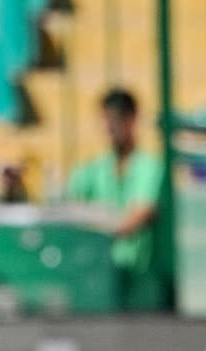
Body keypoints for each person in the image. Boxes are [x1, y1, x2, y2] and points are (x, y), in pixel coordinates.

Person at [65, 87, 175, 311]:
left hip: (145, 287)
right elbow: (71, 210)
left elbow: (139, 215)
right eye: (105, 120)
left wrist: (95, 230)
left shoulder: (151, 168)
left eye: (115, 119)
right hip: (103, 282)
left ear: (132, 120)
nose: (109, 127)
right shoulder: (93, 170)